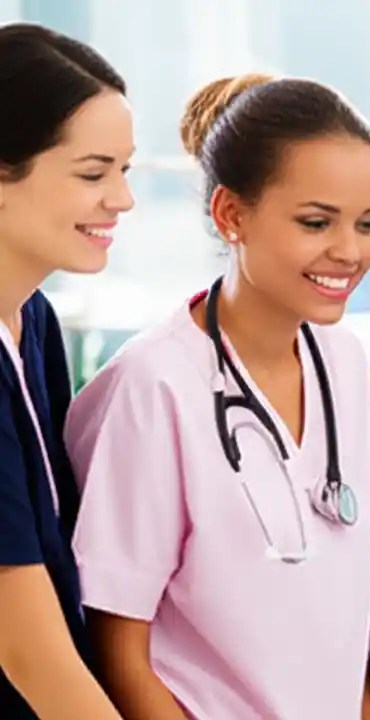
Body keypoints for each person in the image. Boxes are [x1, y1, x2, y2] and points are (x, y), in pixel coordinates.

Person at [65, 74, 370, 719]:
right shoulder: (153, 387)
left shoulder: (346, 363)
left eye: (368, 223)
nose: (349, 251)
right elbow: (119, 648)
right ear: (231, 215)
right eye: (317, 222)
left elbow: (344, 628)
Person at [0, 22, 132, 720]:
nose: (122, 200)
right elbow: (24, 647)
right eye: (93, 173)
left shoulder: (34, 322)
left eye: (125, 170)